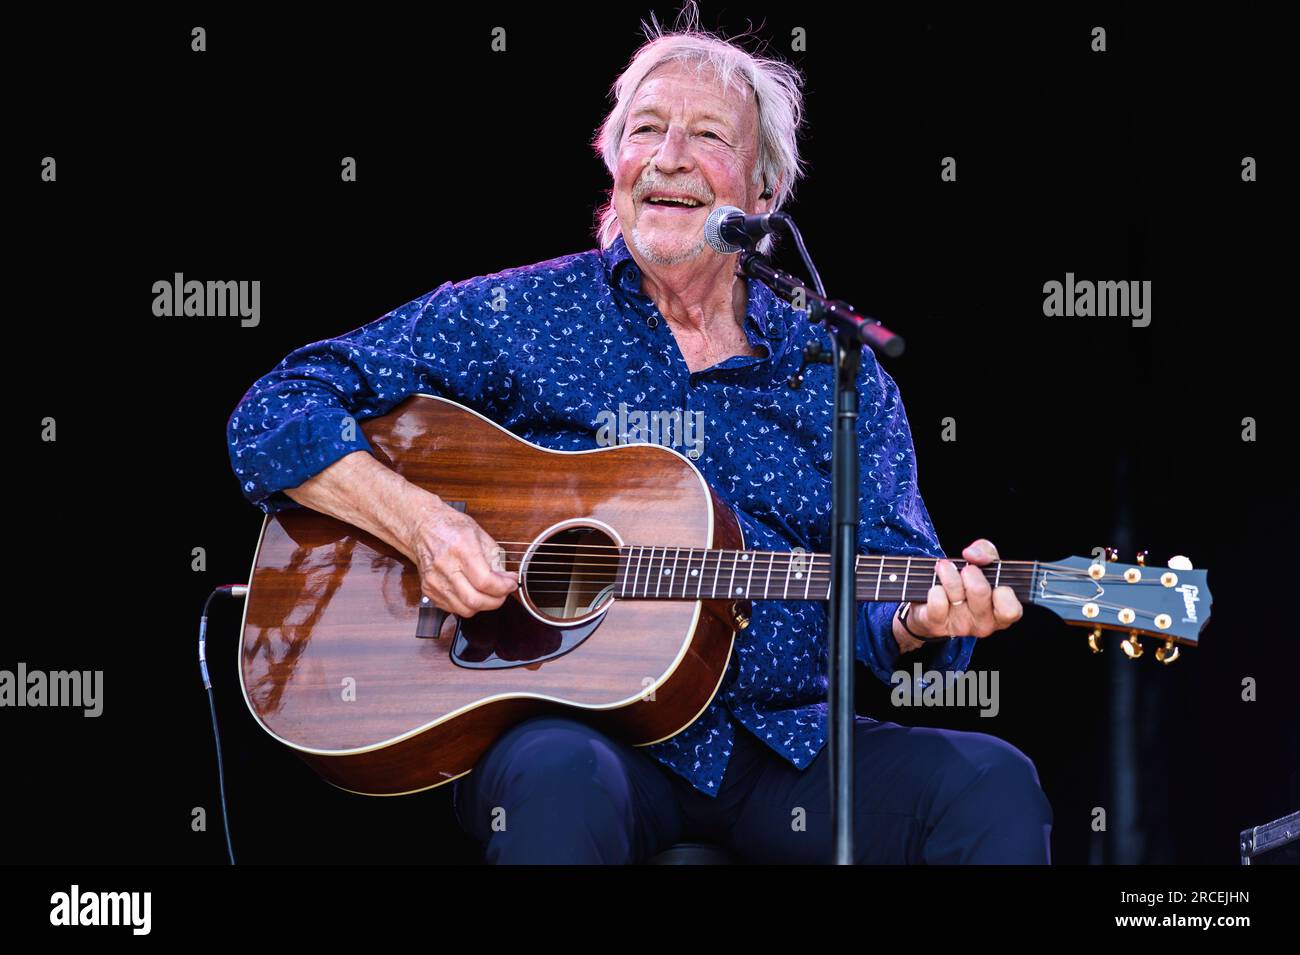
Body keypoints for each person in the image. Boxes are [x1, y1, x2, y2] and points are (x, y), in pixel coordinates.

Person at [226, 6, 1052, 864]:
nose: (669, 158)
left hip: (781, 751)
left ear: (763, 194)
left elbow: (885, 597)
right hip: (580, 737)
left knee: (990, 781)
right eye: (646, 131)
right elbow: (276, 409)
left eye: (707, 138)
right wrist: (423, 526)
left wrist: (921, 618)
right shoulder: (523, 312)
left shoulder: (834, 370)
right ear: (616, 166)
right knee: (558, 780)